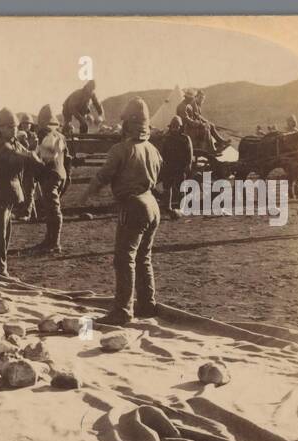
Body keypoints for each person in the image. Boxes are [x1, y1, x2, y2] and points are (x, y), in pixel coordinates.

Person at [82, 97, 164, 325]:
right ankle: (147, 304)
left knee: (124, 259)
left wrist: (88, 193)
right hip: (152, 205)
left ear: (127, 124)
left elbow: (103, 175)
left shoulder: (121, 149)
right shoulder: (153, 149)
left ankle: (123, 310)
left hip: (133, 205)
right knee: (143, 257)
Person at [0, 108, 45, 277]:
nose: (13, 129)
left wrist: (35, 156)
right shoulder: (2, 146)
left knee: (6, 231)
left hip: (9, 193)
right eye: (9, 127)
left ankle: (1, 267)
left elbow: (25, 153)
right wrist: (36, 158)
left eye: (15, 126)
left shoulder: (13, 142)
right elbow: (20, 157)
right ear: (1, 128)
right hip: (0, 193)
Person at [30, 104, 68, 252]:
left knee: (53, 209)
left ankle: (54, 242)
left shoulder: (49, 137)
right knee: (51, 208)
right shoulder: (60, 136)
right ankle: (50, 239)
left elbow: (47, 156)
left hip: (51, 175)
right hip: (59, 174)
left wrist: (34, 154)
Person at [158, 115, 194, 217]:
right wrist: (163, 165)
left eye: (177, 126)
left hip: (180, 166)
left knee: (181, 187)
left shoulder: (185, 139)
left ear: (180, 127)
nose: (175, 128)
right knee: (167, 186)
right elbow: (163, 152)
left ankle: (181, 207)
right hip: (169, 166)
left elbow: (189, 153)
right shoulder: (167, 139)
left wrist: (188, 164)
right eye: (173, 126)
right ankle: (168, 208)